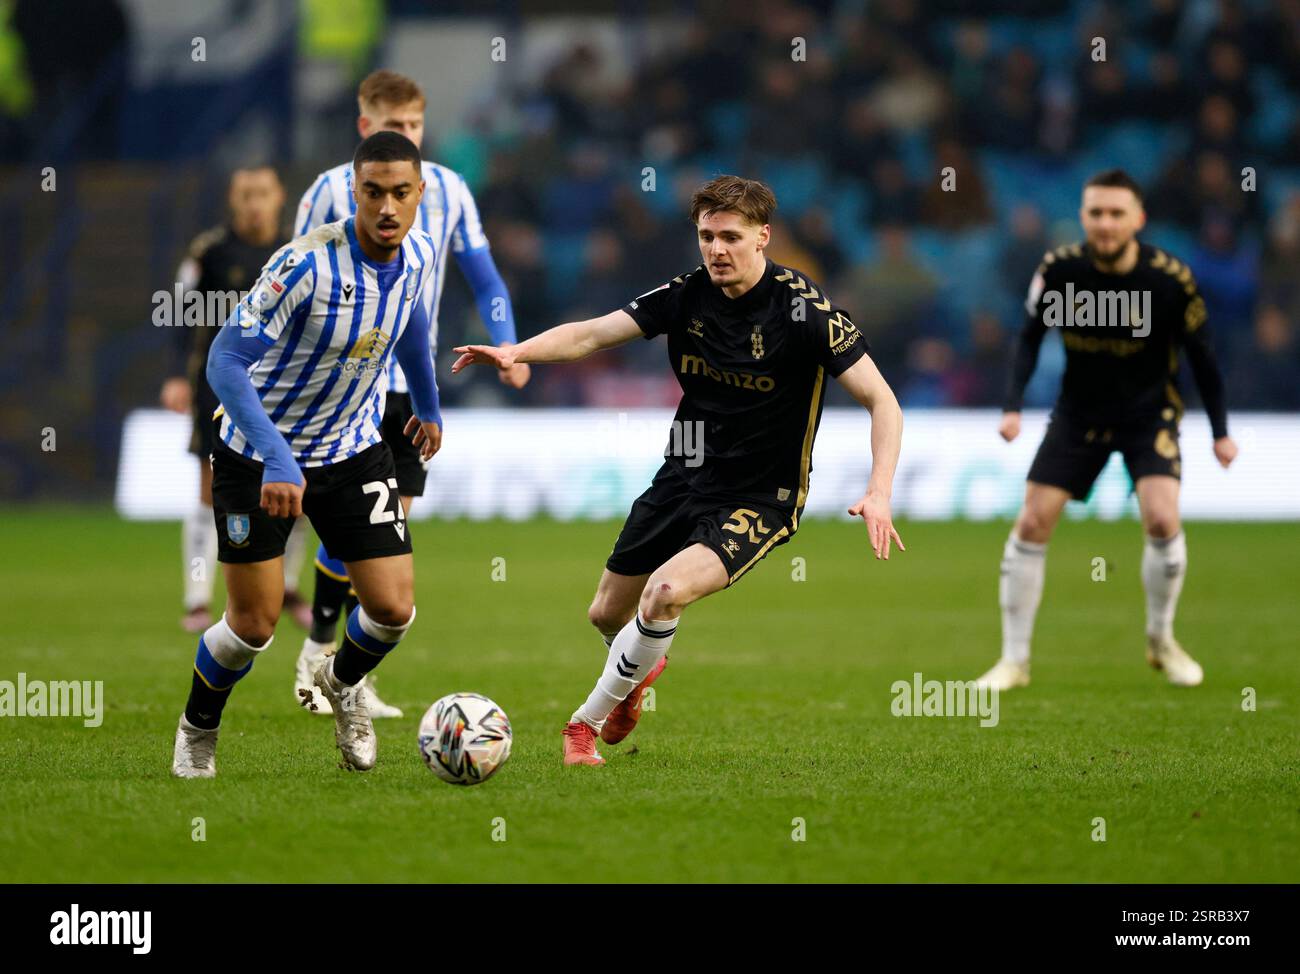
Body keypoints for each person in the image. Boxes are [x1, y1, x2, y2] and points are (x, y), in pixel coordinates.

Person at [453, 175, 905, 767]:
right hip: (683, 474)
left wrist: (878, 491)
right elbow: (591, 335)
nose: (716, 250)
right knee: (606, 615)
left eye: (731, 237)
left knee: (664, 593)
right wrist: (517, 351)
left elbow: (883, 401)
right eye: (706, 236)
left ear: (764, 237)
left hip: (760, 495)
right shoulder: (686, 295)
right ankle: (638, 673)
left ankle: (581, 728)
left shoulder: (804, 310)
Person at [171, 132, 443, 778]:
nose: (386, 206)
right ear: (353, 190)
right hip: (254, 456)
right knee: (252, 626)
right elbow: (224, 361)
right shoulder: (304, 264)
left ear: (418, 195)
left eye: (400, 193)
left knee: (392, 609)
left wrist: (429, 406)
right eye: (372, 191)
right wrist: (276, 458)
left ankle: (342, 683)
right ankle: (197, 728)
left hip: (352, 453)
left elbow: (410, 328)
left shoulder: (421, 253)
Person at [293, 69, 528, 718]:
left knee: (383, 528)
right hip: (344, 382)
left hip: (412, 379)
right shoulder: (327, 192)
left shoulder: (448, 189)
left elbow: (485, 277)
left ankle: (338, 661)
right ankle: (320, 649)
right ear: (365, 127)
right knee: (358, 526)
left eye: (417, 128)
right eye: (395, 128)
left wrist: (506, 344)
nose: (409, 138)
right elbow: (291, 282)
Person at [978, 169, 1237, 691]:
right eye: (1096, 212)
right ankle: (1014, 661)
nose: (1106, 223)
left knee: (1163, 519)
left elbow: (1203, 358)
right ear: (1083, 217)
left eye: (1117, 213)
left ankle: (1161, 640)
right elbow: (1028, 338)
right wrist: (1012, 406)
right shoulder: (1059, 269)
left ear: (1138, 219)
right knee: (1031, 524)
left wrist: (1220, 431)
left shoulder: (1170, 279)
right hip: (1080, 414)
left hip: (1149, 414)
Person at [158, 166, 313, 634]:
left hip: (282, 387)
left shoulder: (295, 252)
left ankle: (285, 585)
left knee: (298, 489)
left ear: (279, 196)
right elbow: (180, 313)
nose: (254, 203)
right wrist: (175, 375)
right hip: (217, 386)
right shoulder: (210, 252)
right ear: (232, 198)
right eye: (246, 194)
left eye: (262, 193)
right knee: (209, 490)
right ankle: (197, 598)